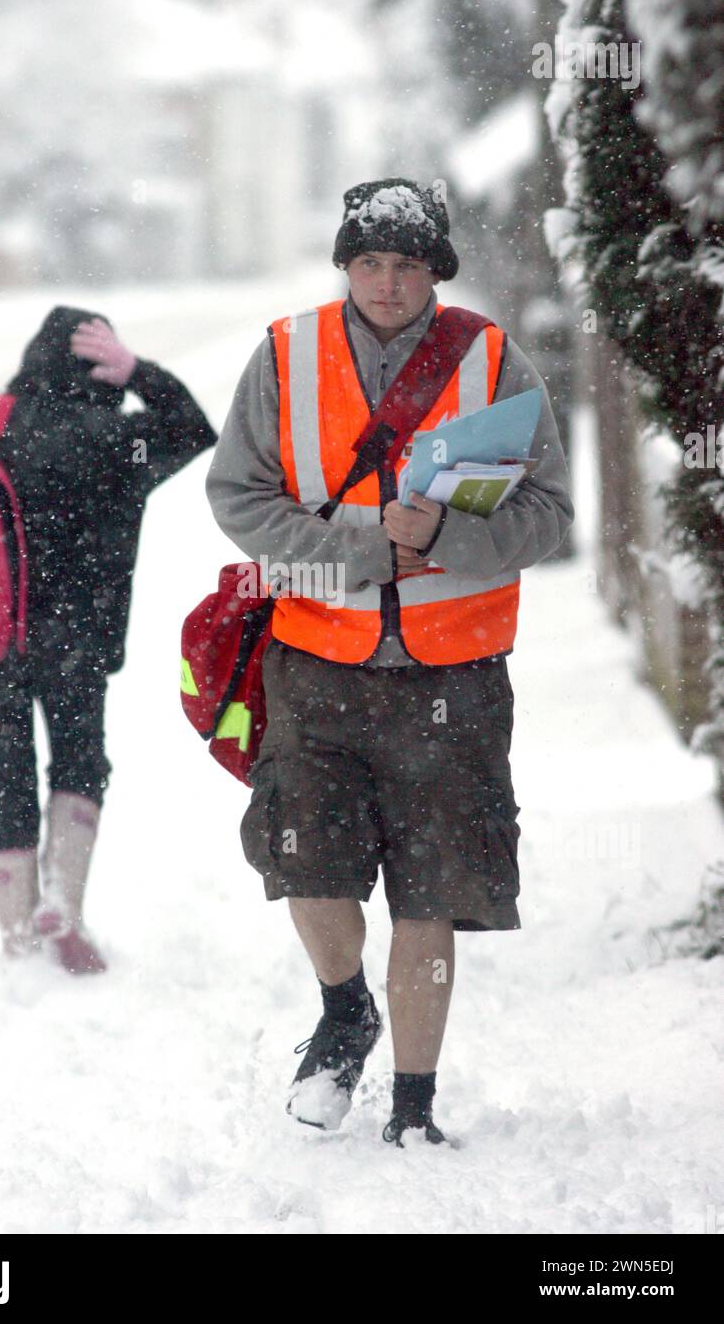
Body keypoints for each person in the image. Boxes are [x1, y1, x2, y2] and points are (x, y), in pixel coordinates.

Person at [206, 179, 574, 1145]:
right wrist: (365, 552)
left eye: (407, 264)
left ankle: (414, 1107)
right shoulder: (285, 355)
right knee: (308, 865)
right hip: (316, 658)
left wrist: (451, 532)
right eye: (368, 261)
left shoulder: (494, 359)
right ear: (345, 265)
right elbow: (240, 497)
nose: (385, 282)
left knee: (433, 892)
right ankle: (343, 1008)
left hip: (453, 674)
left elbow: (549, 514)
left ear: (435, 272)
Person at [0, 307, 216, 973]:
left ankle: (18, 936)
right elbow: (193, 429)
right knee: (80, 760)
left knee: (4, 768)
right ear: (99, 368)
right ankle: (63, 899)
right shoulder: (119, 438)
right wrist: (140, 371)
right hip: (77, 637)